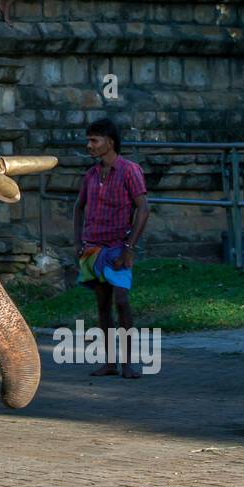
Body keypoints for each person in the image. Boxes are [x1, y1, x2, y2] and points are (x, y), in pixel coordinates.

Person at [73, 118, 150, 379]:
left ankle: (128, 362)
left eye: (94, 140)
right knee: (103, 305)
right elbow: (78, 207)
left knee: (122, 301)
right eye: (89, 140)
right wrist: (77, 242)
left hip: (118, 247)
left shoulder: (130, 171)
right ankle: (109, 362)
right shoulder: (92, 174)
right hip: (94, 248)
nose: (89, 145)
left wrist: (129, 247)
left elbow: (143, 207)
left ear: (110, 142)